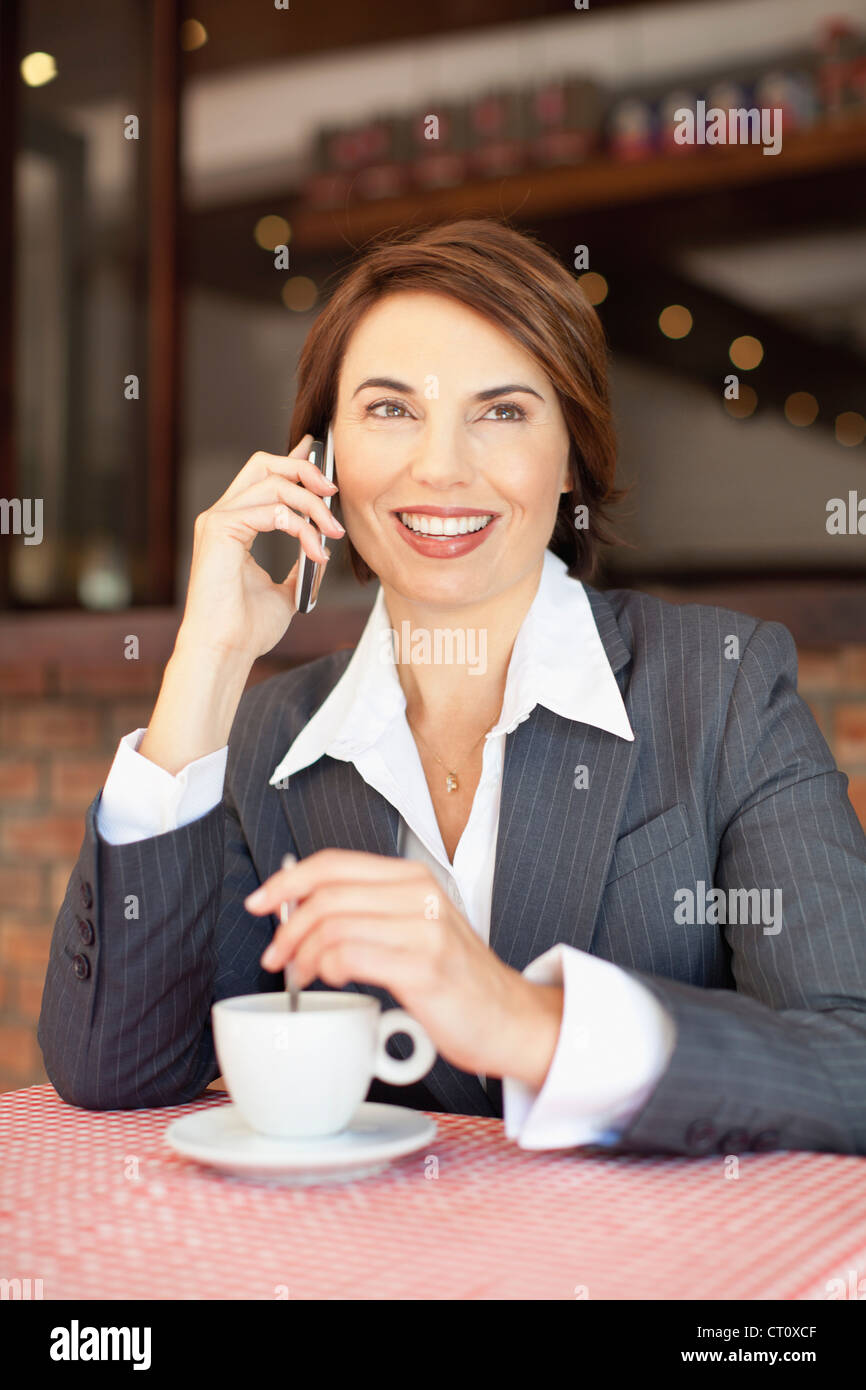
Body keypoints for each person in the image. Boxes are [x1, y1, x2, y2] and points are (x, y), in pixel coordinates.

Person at [38, 219, 866, 1155]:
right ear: (324, 464)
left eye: (502, 411)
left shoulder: (720, 688)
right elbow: (117, 1068)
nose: (441, 467)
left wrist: (526, 1021)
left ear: (570, 460)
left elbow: (852, 1064)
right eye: (390, 410)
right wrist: (208, 660)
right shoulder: (270, 737)